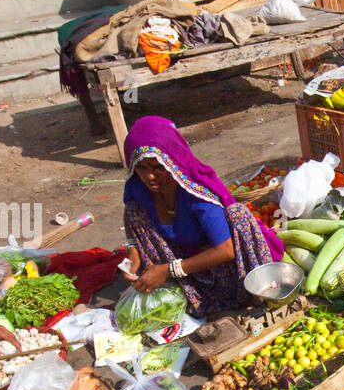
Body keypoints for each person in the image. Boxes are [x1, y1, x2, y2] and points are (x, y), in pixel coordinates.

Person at [121, 116, 283, 317]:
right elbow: (130, 220)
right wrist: (133, 254)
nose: (149, 176)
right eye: (142, 168)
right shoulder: (140, 189)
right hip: (181, 263)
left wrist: (167, 270)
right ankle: (179, 291)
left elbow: (225, 251)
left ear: (172, 162)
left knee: (238, 215)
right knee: (133, 211)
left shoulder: (196, 195)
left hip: (221, 270)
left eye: (157, 167)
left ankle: (230, 298)